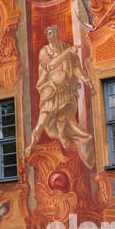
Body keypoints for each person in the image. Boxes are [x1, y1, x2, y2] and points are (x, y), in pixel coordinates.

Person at [25, 26, 95, 167]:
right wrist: (68, 52)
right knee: (41, 122)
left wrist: (84, 78)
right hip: (50, 91)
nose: (51, 35)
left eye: (53, 32)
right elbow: (50, 65)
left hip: (65, 90)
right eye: (49, 33)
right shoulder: (44, 51)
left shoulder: (65, 47)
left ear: (57, 34)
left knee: (64, 116)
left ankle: (62, 135)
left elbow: (75, 67)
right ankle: (30, 145)